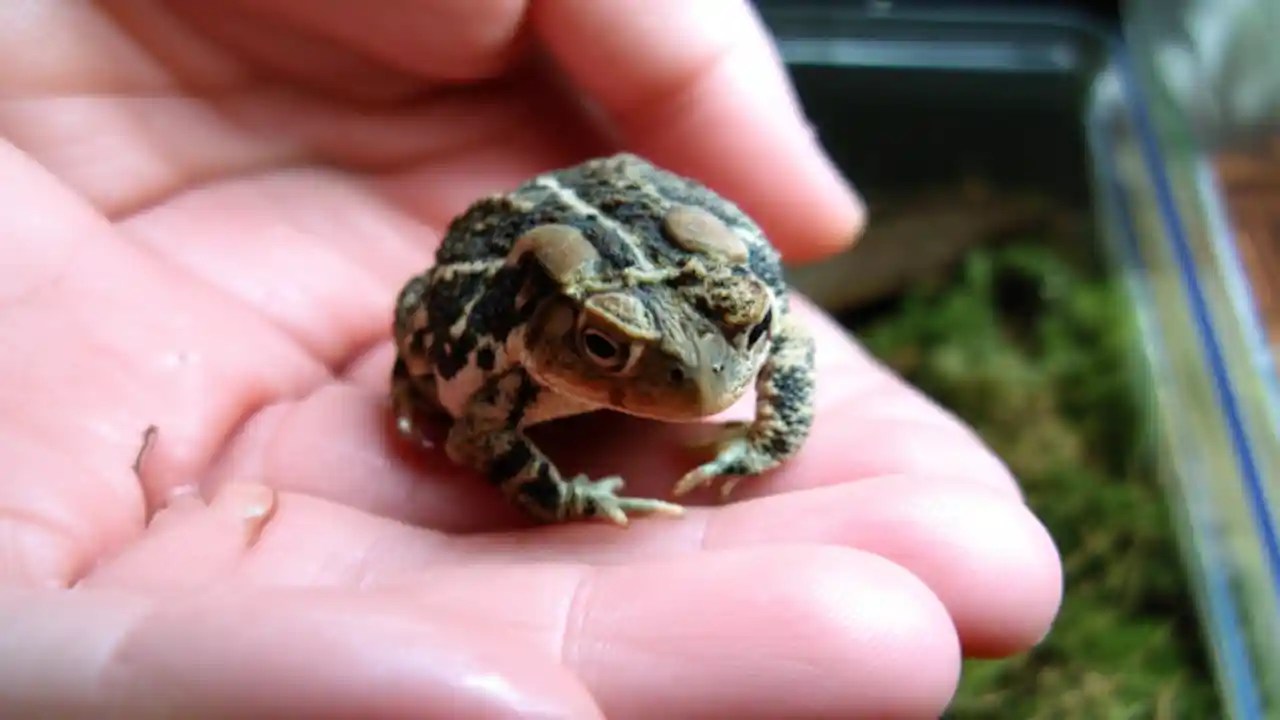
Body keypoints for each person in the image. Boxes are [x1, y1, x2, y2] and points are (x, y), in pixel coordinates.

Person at [0, 1, 1062, 717]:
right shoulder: (520, 360)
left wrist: (766, 429)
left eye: (726, 342)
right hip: (514, 276)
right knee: (427, 346)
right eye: (611, 352)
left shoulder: (734, 310)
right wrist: (563, 495)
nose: (693, 385)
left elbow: (773, 333)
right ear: (573, 340)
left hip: (658, 243)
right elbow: (475, 427)